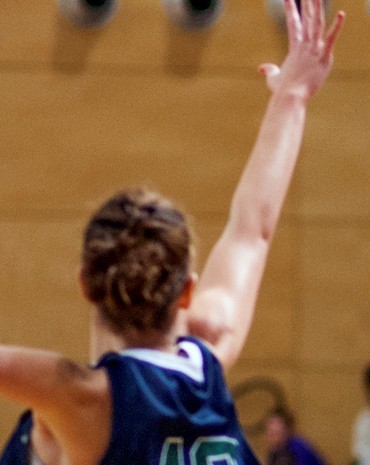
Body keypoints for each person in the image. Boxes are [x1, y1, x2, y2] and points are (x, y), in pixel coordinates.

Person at [0, 1, 343, 464]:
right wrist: (292, 96)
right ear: (186, 293)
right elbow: (251, 231)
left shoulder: (79, 400)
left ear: (84, 283)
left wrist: (293, 97)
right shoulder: (209, 353)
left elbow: (252, 232)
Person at [266, 408, 330, 465]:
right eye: (271, 432)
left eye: (277, 432)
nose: (272, 436)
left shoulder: (299, 448)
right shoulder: (274, 451)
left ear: (288, 430)